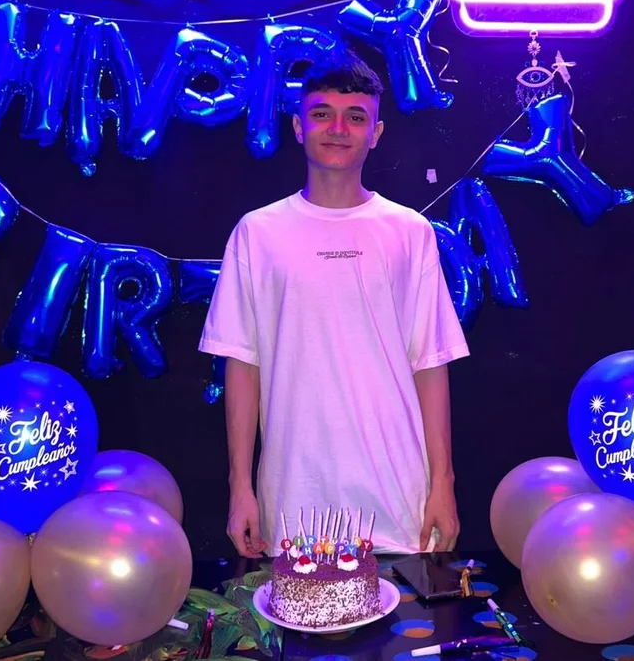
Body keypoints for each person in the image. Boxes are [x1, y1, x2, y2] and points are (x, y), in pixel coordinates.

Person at [199, 50, 469, 558]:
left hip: (400, 504)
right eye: (322, 114)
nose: (338, 129)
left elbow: (430, 364)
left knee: (408, 614)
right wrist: (240, 489)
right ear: (298, 127)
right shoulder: (257, 233)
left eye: (355, 117)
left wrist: (444, 485)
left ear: (377, 133)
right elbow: (242, 366)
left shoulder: (409, 231)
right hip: (294, 505)